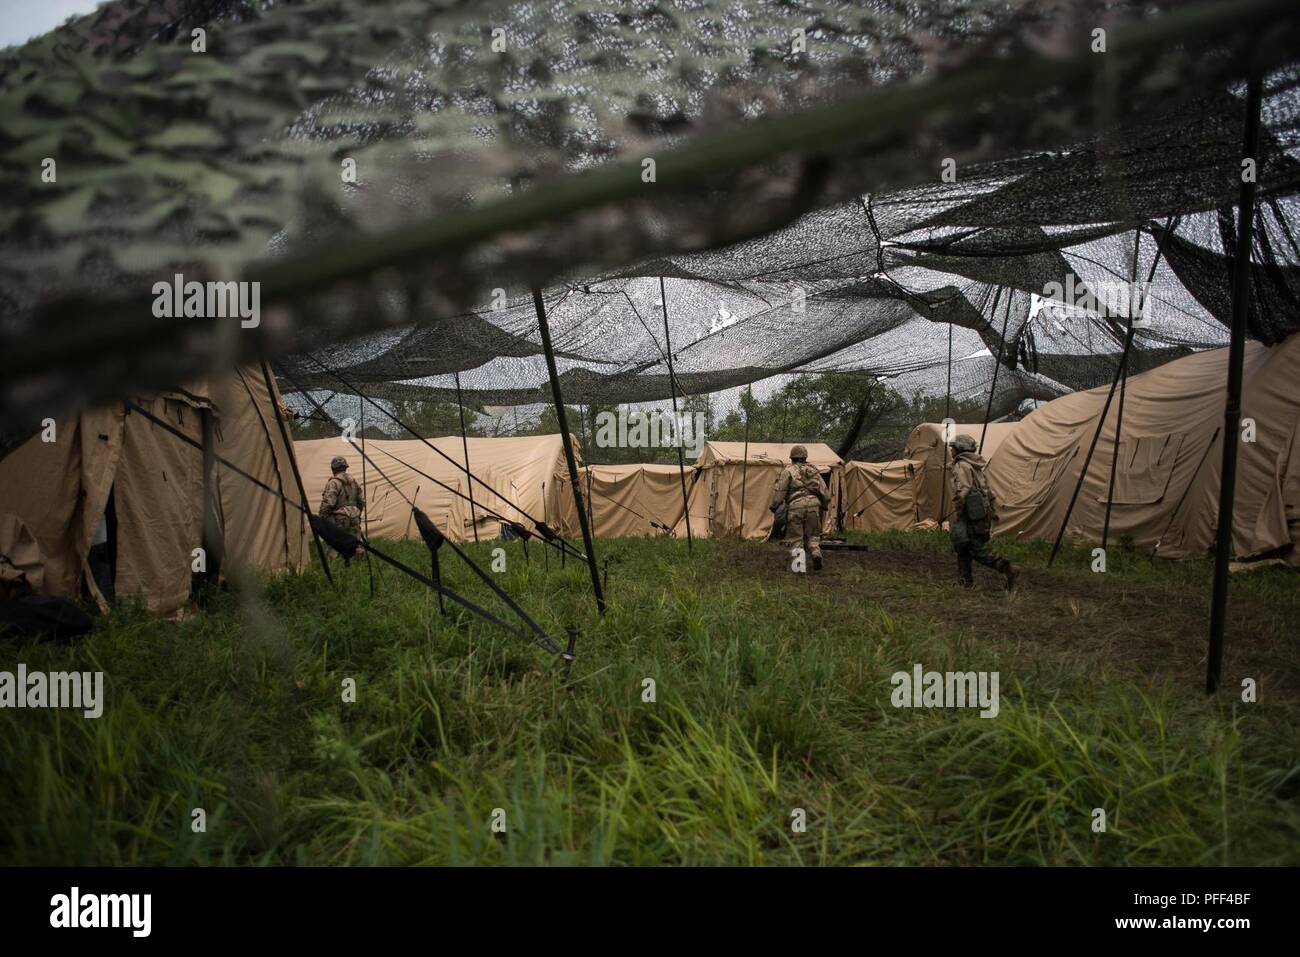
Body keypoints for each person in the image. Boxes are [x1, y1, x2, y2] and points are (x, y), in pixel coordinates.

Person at [948, 434, 1018, 590]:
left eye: (953, 447)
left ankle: (1006, 567)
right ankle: (965, 581)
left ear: (959, 449)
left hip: (970, 514)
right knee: (963, 546)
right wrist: (992, 510)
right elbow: (987, 490)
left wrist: (958, 511)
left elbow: (963, 490)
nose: (951, 450)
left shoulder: (961, 466)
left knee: (974, 548)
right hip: (981, 512)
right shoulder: (974, 465)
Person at [770, 445, 830, 570]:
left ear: (792, 458)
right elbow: (825, 492)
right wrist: (824, 505)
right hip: (814, 505)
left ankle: (798, 567)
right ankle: (815, 553)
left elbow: (781, 491)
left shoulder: (788, 471)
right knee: (813, 535)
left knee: (796, 538)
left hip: (796, 506)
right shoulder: (814, 471)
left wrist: (774, 506)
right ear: (805, 457)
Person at [320, 455, 365, 550]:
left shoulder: (333, 483)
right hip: (354, 517)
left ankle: (337, 564)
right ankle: (358, 563)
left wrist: (322, 519)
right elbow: (361, 501)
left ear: (333, 468)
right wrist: (356, 513)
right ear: (345, 467)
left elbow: (328, 503)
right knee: (355, 544)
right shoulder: (354, 482)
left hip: (339, 519)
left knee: (335, 546)